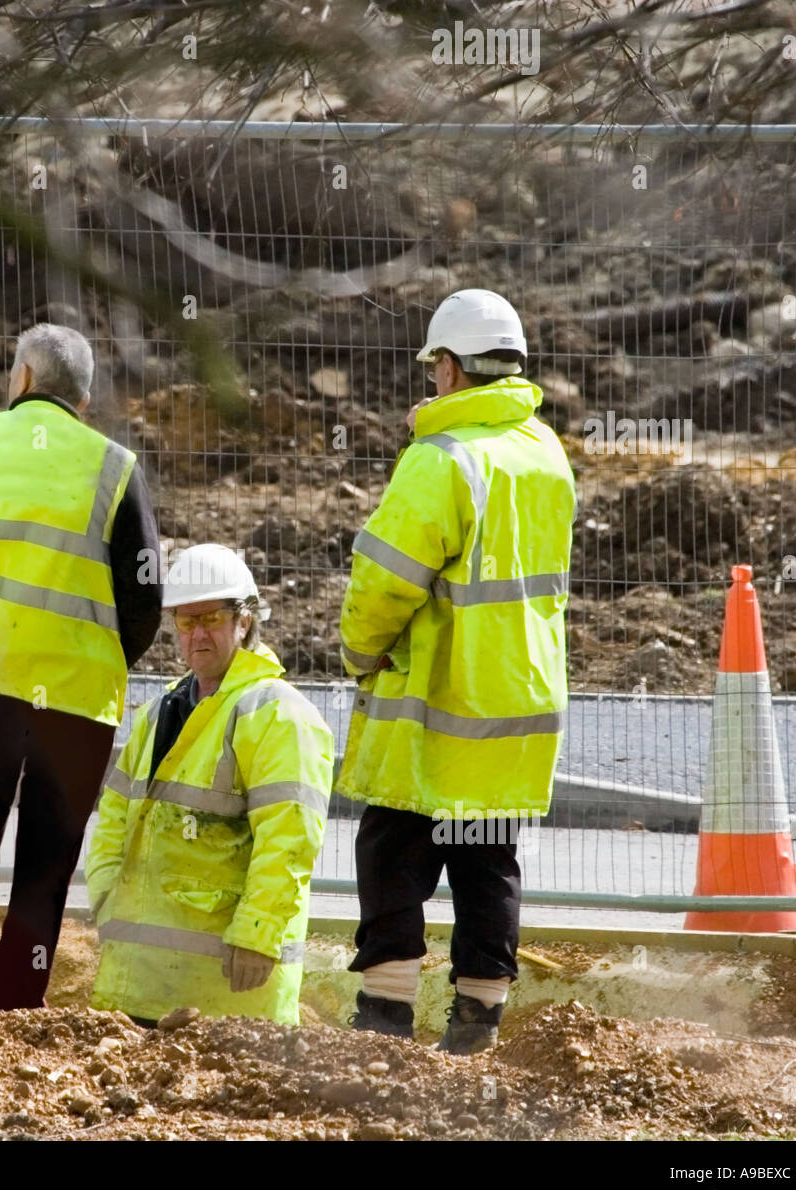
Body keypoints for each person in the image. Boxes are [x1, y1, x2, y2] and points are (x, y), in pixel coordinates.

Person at [340, 288, 576, 1053]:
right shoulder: (545, 452)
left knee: (394, 853)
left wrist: (358, 653)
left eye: (433, 367)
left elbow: (384, 580)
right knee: (487, 863)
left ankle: (384, 1022)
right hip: (517, 709)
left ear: (447, 366)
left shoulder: (440, 460)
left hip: (436, 708)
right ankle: (476, 1024)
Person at [0, 323, 162, 1007]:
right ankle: (19, 1013)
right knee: (46, 870)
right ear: (83, 397)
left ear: (20, 378)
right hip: (76, 703)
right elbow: (145, 598)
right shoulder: (117, 467)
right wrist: (99, 656)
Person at [85, 544, 332, 1027]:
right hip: (137, 989)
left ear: (244, 621)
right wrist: (105, 895)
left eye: (211, 619)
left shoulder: (277, 714)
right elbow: (116, 811)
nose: (197, 634)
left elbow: (289, 837)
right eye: (185, 622)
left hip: (232, 1005)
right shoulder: (162, 711)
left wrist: (259, 932)